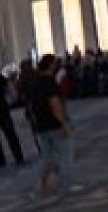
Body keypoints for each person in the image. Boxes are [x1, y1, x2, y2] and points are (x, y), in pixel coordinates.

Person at [23, 55, 74, 199]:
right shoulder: (50, 83)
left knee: (48, 159)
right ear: (51, 66)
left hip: (41, 126)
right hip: (54, 125)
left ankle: (42, 186)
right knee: (65, 157)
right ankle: (65, 187)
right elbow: (55, 105)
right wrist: (64, 124)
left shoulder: (34, 83)